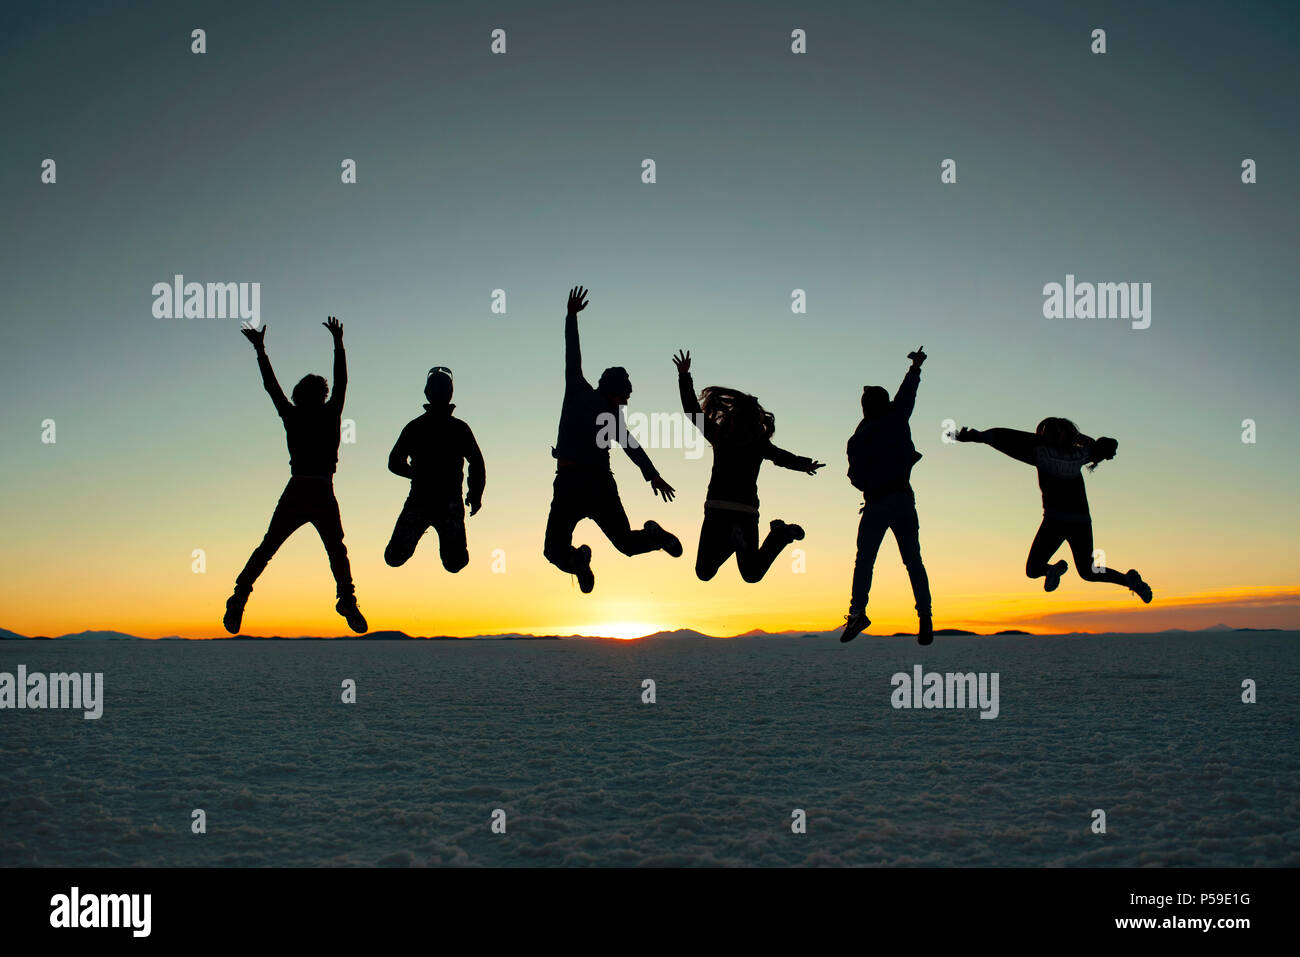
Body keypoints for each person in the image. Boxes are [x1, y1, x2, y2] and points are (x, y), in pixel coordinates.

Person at [224, 318, 368, 634]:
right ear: (315, 395)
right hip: (311, 489)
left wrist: (261, 350)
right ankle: (240, 598)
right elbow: (340, 382)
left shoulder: (300, 414)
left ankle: (240, 597)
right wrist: (338, 343)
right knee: (330, 550)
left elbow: (273, 386)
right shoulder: (318, 414)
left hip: (307, 490)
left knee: (279, 547)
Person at [543, 286, 681, 592]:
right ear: (613, 390)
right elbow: (631, 445)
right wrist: (653, 475)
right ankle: (646, 540)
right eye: (625, 396)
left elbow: (572, 355)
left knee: (553, 550)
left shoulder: (582, 394)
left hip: (573, 483)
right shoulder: (588, 397)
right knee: (627, 545)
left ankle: (580, 559)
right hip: (593, 485)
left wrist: (570, 317)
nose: (626, 403)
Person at [954, 417, 1153, 602]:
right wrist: (1092, 444)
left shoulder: (1039, 453)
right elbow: (1106, 445)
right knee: (1089, 571)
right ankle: (1128, 580)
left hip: (1055, 522)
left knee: (1033, 569)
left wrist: (978, 436)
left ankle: (1053, 570)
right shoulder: (1079, 454)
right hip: (1081, 522)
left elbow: (1006, 438)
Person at [673, 349, 823, 582]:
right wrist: (804, 465)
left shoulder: (721, 435)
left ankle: (739, 542)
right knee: (751, 575)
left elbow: (692, 412)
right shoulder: (758, 443)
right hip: (745, 512)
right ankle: (779, 536)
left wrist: (684, 376)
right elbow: (781, 457)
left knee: (704, 572)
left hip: (718, 509)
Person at [841, 347, 933, 645]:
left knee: (865, 561)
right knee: (913, 561)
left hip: (877, 502)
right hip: (903, 499)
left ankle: (857, 613)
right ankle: (925, 617)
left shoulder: (857, 439)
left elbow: (854, 477)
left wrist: (870, 482)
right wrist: (915, 367)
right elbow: (908, 394)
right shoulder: (896, 417)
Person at [384, 366, 486, 573]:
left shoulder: (418, 427)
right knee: (397, 557)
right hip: (437, 502)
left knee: (453, 562)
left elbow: (394, 462)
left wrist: (475, 494)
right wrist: (475, 494)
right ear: (450, 394)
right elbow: (477, 462)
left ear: (427, 393)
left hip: (429, 501)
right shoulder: (456, 428)